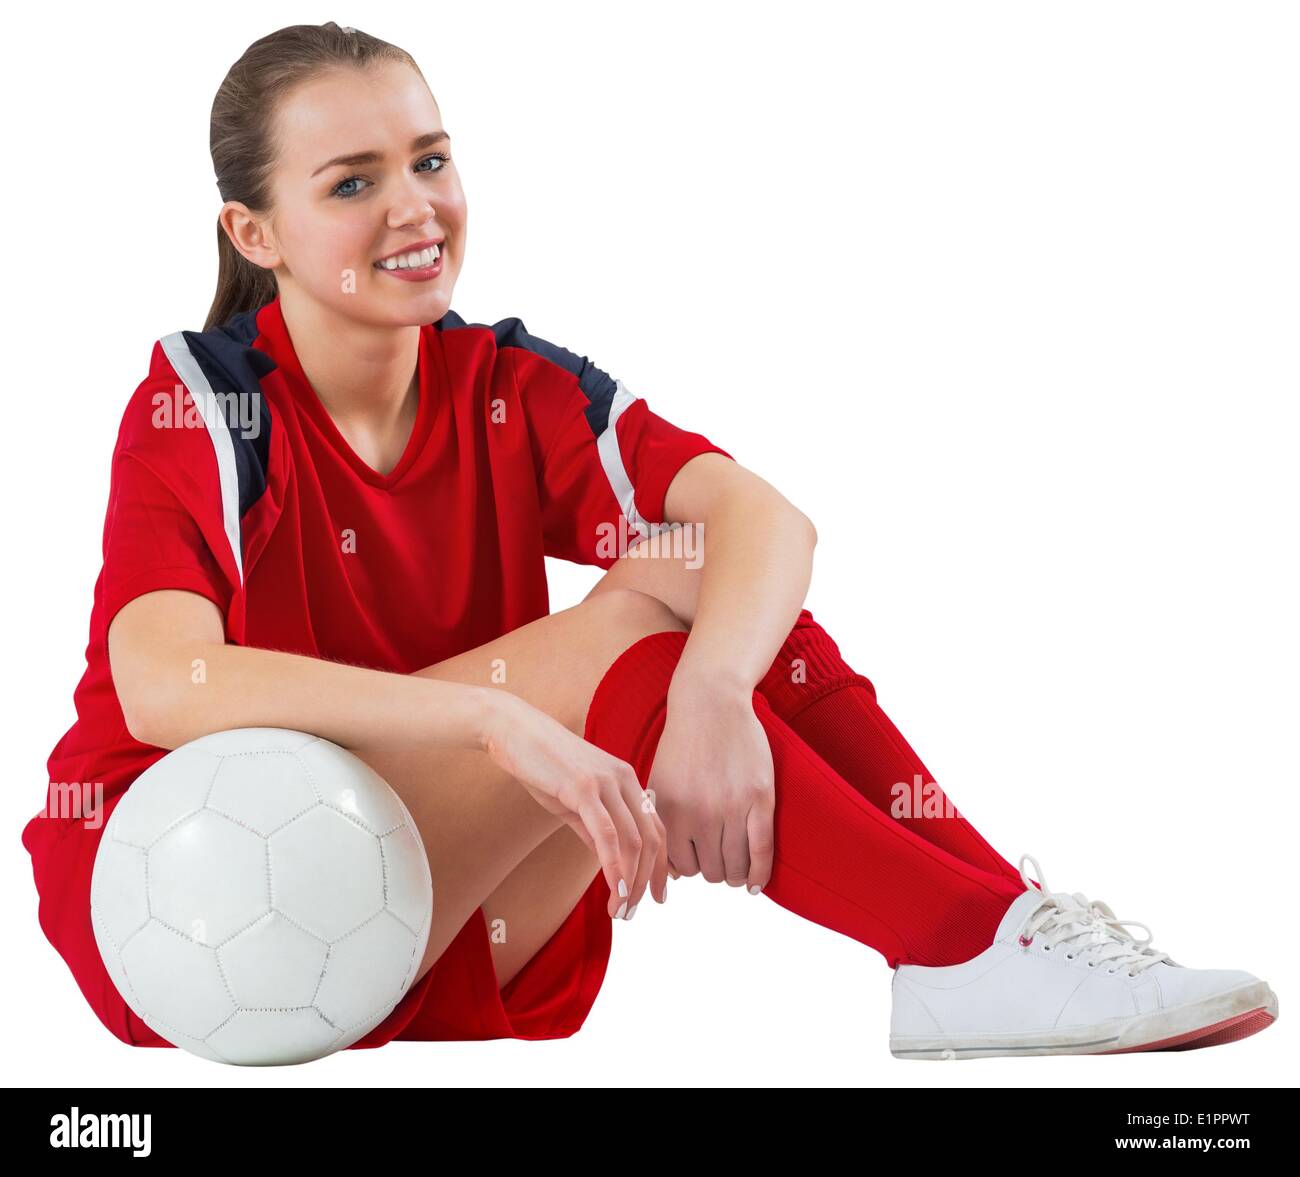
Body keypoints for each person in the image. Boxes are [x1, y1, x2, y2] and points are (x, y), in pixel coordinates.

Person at [20, 21, 1277, 1061]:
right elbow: (165, 680)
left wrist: (717, 690)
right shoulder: (207, 396)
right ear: (256, 234)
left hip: (407, 897)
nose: (415, 208)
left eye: (432, 159)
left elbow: (761, 521)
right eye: (351, 183)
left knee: (693, 578)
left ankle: (998, 928)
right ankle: (955, 944)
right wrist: (495, 718)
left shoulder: (505, 379)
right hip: (181, 899)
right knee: (633, 622)